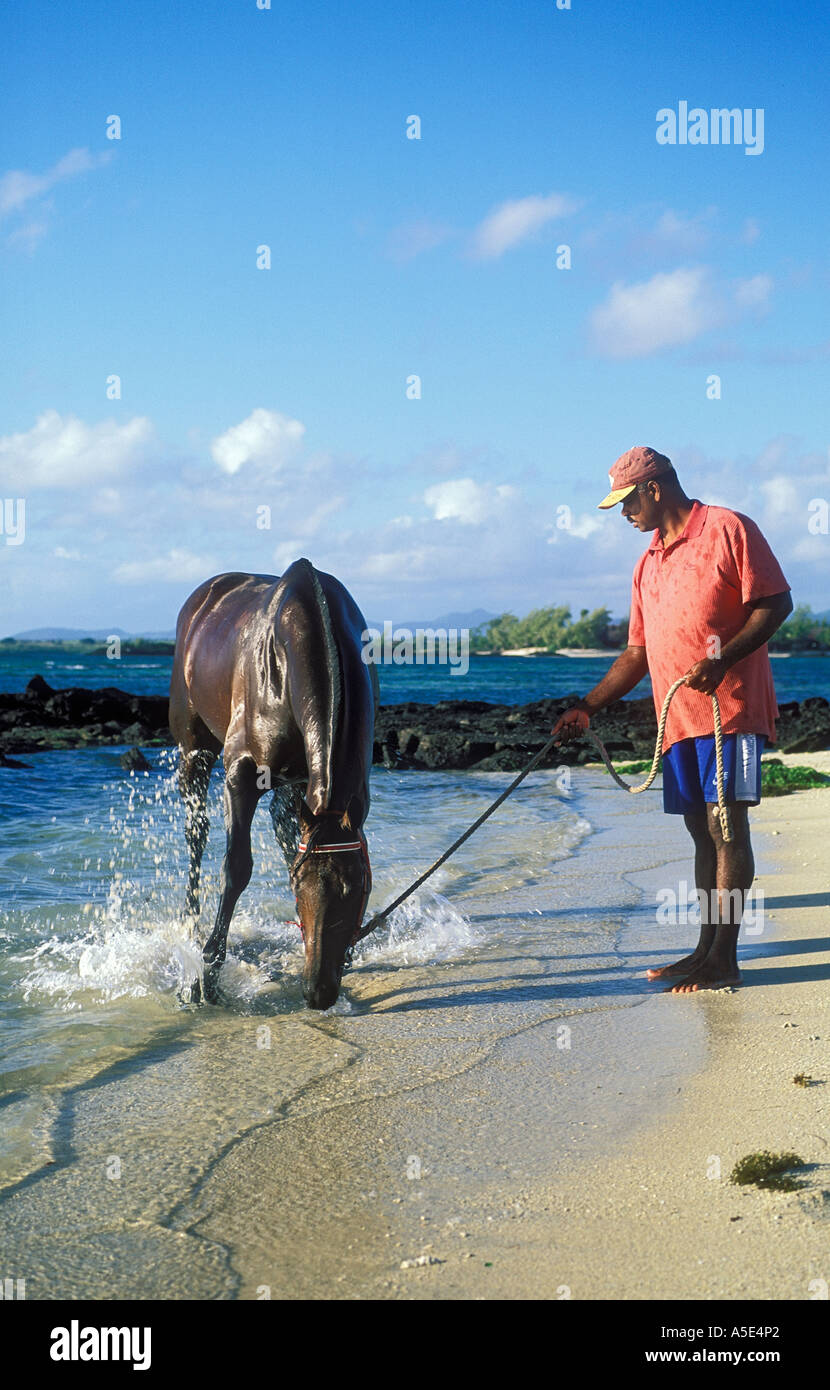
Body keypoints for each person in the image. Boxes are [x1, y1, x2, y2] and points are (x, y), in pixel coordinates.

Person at [552, 446, 793, 993]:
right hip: (679, 720)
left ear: (654, 489)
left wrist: (722, 658)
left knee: (726, 827)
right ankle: (705, 949)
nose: (623, 514)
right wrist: (587, 707)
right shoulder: (647, 562)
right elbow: (637, 654)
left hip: (729, 711)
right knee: (701, 834)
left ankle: (724, 960)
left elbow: (776, 603)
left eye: (627, 502)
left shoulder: (730, 529)